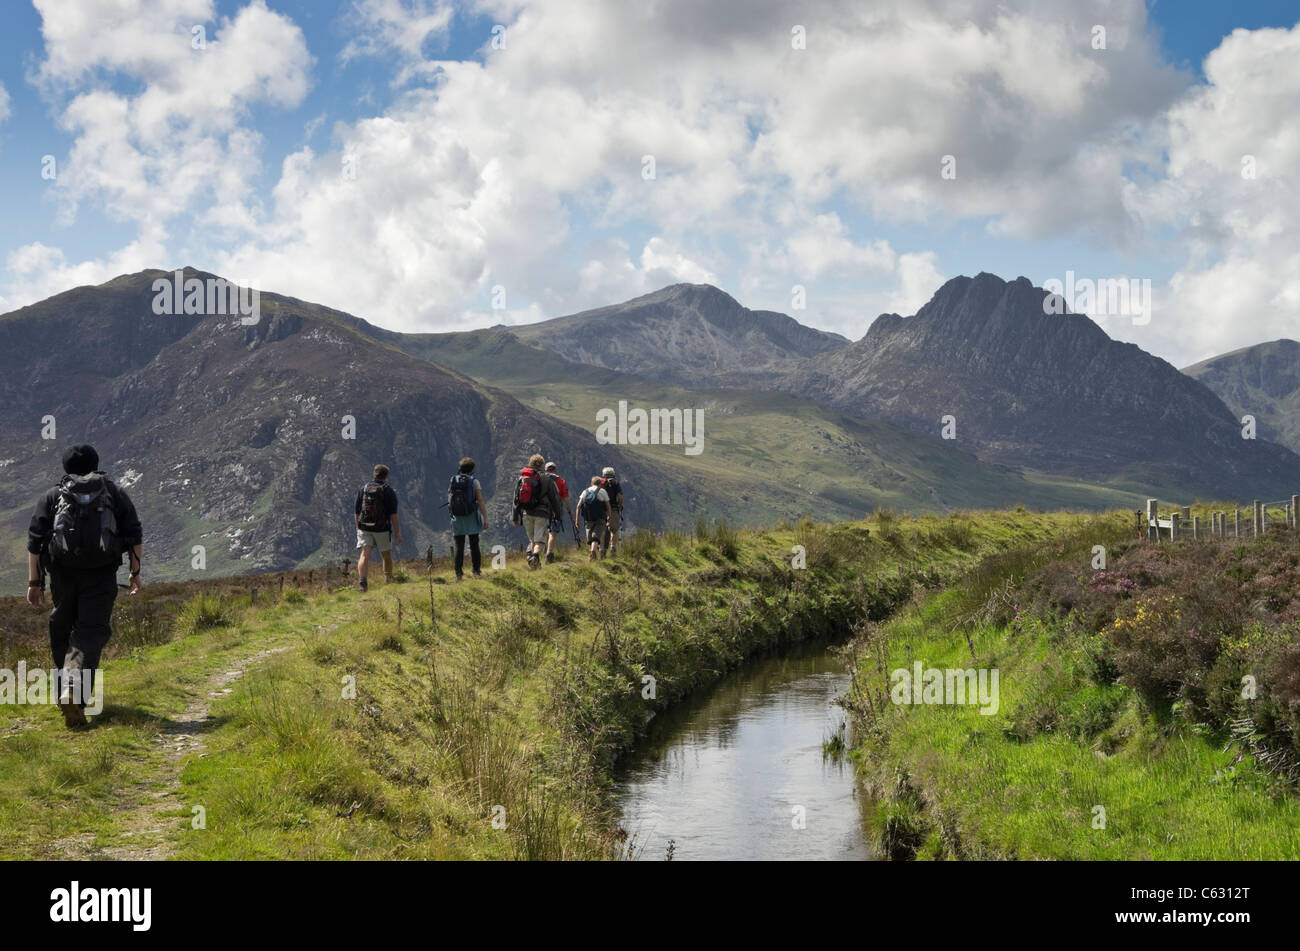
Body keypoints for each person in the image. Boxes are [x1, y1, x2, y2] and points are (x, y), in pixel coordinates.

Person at [25, 444, 143, 728]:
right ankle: (73, 694)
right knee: (90, 633)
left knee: (62, 629)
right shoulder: (113, 493)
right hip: (101, 576)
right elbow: (134, 533)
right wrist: (135, 573)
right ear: (96, 463)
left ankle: (68, 693)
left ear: (66, 467)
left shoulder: (53, 496)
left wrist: (34, 582)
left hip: (63, 576)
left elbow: (35, 541)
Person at [355, 464, 401, 591]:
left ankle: (363, 582)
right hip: (382, 528)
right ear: (386, 476)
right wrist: (397, 532)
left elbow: (357, 510)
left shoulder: (363, 489)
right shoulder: (388, 491)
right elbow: (393, 514)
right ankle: (389, 579)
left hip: (364, 527)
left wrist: (358, 527)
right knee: (386, 555)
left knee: (364, 554)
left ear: (374, 474)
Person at [511, 453, 560, 569]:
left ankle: (534, 564)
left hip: (526, 513)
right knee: (540, 541)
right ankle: (536, 556)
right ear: (542, 465)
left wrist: (515, 517)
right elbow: (555, 499)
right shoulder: (547, 479)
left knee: (532, 539)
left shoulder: (522, 479)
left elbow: (515, 499)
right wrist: (557, 515)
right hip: (542, 513)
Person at [448, 457, 487, 579]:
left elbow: (450, 499)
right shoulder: (474, 481)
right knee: (474, 544)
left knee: (459, 545)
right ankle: (476, 572)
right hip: (470, 515)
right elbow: (480, 500)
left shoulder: (453, 480)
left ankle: (458, 574)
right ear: (472, 469)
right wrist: (485, 518)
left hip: (457, 517)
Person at [543, 461, 576, 564]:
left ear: (546, 469)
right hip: (555, 509)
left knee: (542, 531)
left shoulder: (541, 478)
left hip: (542, 509)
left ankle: (538, 553)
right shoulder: (560, 481)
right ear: (555, 469)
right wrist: (570, 511)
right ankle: (549, 553)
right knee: (552, 532)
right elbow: (565, 498)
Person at [576, 477, 611, 562]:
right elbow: (608, 506)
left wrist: (577, 520)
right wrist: (609, 517)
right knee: (596, 538)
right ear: (600, 484)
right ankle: (592, 553)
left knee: (590, 539)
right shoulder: (602, 491)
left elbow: (578, 506)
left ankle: (592, 553)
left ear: (591, 483)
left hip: (588, 518)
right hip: (600, 518)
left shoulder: (585, 491)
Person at [600, 466, 624, 558]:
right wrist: (619, 506)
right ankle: (613, 546)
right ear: (613, 474)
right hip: (613, 508)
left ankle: (602, 550)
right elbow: (620, 497)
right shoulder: (615, 483)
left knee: (603, 529)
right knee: (614, 529)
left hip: (602, 509)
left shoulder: (600, 482)